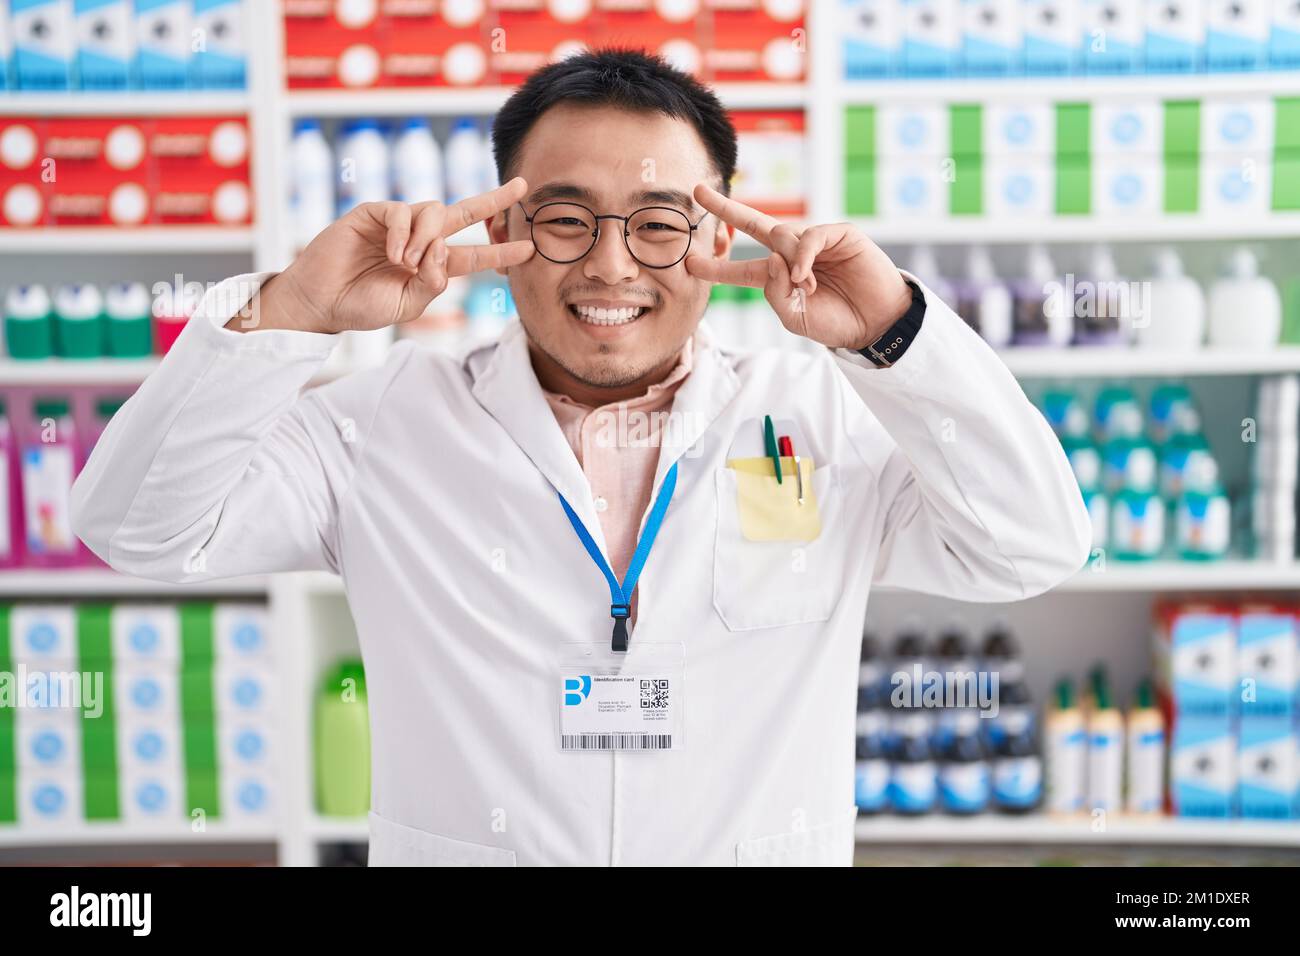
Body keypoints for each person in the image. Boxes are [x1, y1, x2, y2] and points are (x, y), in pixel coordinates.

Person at [71, 49, 1090, 866]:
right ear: (507, 227)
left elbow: (1033, 544)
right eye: (566, 219)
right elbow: (135, 528)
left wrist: (896, 332)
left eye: (658, 224)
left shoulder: (818, 416)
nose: (610, 264)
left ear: (718, 231)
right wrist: (291, 310)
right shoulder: (380, 423)